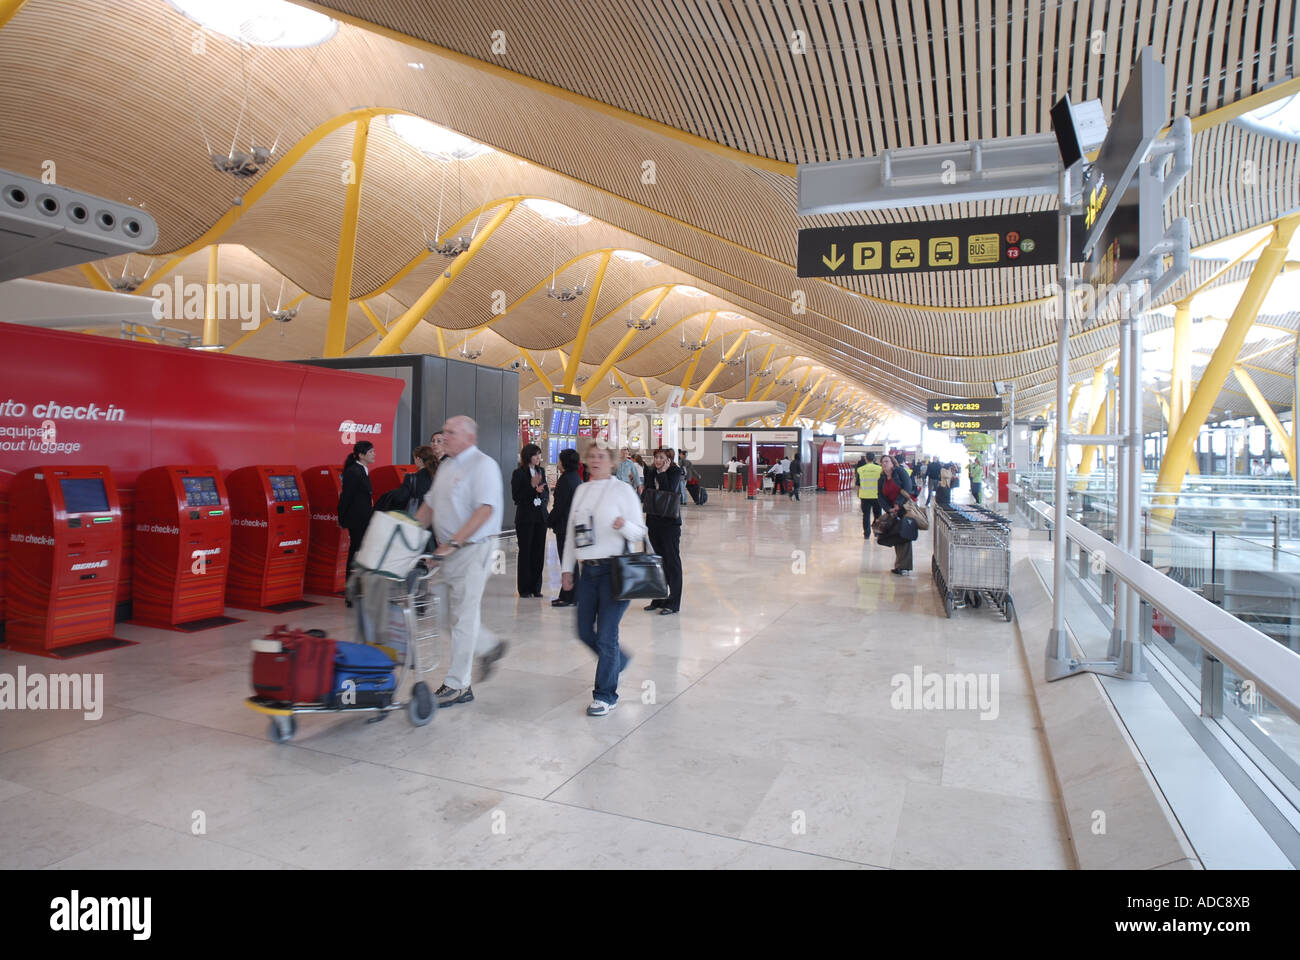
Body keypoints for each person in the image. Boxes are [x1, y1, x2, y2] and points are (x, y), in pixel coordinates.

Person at [415, 416, 507, 708]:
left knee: (464, 615)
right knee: (443, 613)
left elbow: (485, 511)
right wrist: (408, 536)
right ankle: (489, 646)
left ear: (469, 437)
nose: (444, 437)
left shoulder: (483, 465)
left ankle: (458, 685)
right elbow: (429, 505)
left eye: (451, 433)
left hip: (473, 549)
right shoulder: (447, 466)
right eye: (443, 432)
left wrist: (453, 543)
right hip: (448, 551)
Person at [560, 441, 648, 716]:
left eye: (602, 457)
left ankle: (605, 695)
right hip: (588, 571)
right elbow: (573, 534)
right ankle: (617, 661)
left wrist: (625, 526)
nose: (596, 460)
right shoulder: (582, 491)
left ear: (612, 462)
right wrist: (567, 568)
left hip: (615, 572)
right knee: (585, 631)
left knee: (607, 634)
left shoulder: (622, 490)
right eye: (592, 456)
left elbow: (640, 532)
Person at [643, 447, 684, 615]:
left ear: (669, 459)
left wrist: (663, 473)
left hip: (670, 524)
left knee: (672, 562)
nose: (657, 461)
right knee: (657, 562)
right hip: (654, 521)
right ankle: (658, 597)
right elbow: (647, 491)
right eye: (656, 457)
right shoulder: (651, 471)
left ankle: (673, 602)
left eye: (661, 458)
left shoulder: (675, 471)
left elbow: (669, 492)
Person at [511, 443, 549, 598]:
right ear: (528, 456)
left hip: (540, 517)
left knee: (538, 552)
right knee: (526, 552)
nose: (539, 458)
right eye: (535, 455)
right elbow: (516, 496)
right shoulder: (519, 473)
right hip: (526, 518)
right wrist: (532, 488)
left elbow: (545, 492)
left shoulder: (541, 471)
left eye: (540, 455)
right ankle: (524, 588)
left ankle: (536, 587)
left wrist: (541, 495)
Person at [548, 447, 583, 607]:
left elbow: (559, 506)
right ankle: (569, 594)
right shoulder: (575, 478)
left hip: (564, 526)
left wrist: (548, 521)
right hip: (572, 524)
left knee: (567, 561)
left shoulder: (564, 480)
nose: (558, 463)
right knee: (570, 561)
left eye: (560, 460)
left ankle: (570, 596)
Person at [337, 440, 375, 580]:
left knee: (360, 550)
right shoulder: (354, 471)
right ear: (361, 455)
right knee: (355, 550)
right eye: (370, 452)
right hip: (357, 519)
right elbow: (346, 497)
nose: (374, 454)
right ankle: (351, 584)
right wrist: (341, 518)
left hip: (364, 518)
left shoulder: (362, 470)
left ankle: (358, 582)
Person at [876, 454, 917, 575]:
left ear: (893, 463)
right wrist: (888, 509)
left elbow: (907, 487)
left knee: (905, 535)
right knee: (897, 535)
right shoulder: (882, 479)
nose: (884, 464)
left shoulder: (900, 472)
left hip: (904, 507)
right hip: (892, 511)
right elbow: (880, 496)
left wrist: (898, 503)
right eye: (883, 462)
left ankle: (904, 566)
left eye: (887, 461)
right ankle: (900, 564)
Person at [856, 453, 883, 540]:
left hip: (864, 496)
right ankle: (877, 532)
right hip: (877, 496)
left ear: (866, 459)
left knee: (866, 515)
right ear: (874, 459)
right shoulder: (880, 469)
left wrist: (858, 493)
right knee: (878, 515)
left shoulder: (860, 469)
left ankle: (866, 534)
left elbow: (857, 484)